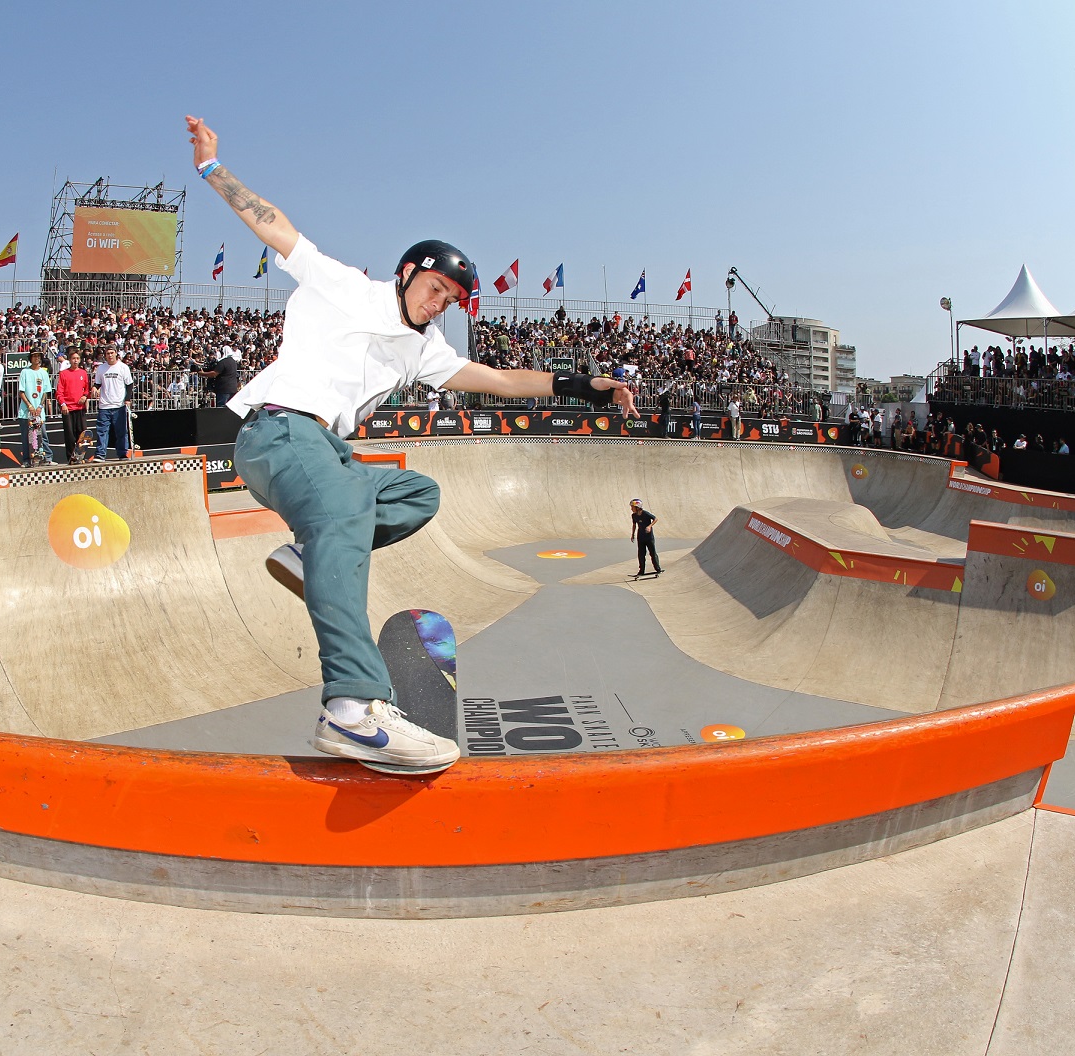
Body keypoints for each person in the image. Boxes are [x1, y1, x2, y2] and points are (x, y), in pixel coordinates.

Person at [189, 113, 634, 775]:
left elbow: (500, 381)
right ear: (406, 274)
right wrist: (211, 168)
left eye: (449, 300)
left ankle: (309, 554)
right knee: (344, 505)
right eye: (433, 289)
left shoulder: (427, 349)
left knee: (415, 492)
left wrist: (585, 388)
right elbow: (272, 224)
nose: (438, 304)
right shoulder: (345, 286)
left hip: (325, 452)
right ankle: (351, 708)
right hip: (280, 431)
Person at [92, 345, 133, 460]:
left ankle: (122, 453)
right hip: (104, 405)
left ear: (116, 353)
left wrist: (127, 399)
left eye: (112, 353)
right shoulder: (101, 368)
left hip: (119, 404)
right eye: (108, 353)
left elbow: (129, 384)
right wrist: (94, 387)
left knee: (121, 431)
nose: (110, 355)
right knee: (102, 431)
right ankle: (100, 454)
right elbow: (98, 383)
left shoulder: (123, 367)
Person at [16, 350, 54, 464]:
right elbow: (21, 391)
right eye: (34, 356)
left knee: (43, 435)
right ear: (30, 358)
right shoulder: (25, 372)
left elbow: (45, 391)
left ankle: (47, 458)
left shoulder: (43, 372)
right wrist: (29, 405)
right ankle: (27, 460)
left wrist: (40, 406)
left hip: (39, 411)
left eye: (38, 356)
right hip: (25, 411)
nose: (36, 358)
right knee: (27, 437)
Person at [56, 349, 91, 463]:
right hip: (68, 409)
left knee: (82, 434)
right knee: (70, 435)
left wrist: (85, 396)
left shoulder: (83, 373)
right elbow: (59, 392)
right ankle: (71, 458)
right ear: (69, 360)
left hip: (80, 408)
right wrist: (63, 404)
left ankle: (81, 456)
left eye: (77, 358)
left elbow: (87, 389)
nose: (75, 361)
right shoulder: (64, 374)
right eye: (73, 358)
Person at [630, 498, 662, 576]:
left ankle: (658, 569)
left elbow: (655, 519)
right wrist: (632, 534)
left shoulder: (645, 513)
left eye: (632, 507)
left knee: (652, 553)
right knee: (641, 554)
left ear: (637, 507)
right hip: (640, 536)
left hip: (649, 537)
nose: (631, 509)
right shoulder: (634, 516)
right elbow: (634, 525)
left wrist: (649, 526)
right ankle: (641, 571)